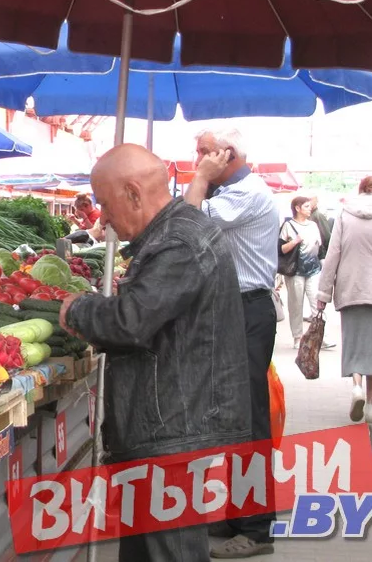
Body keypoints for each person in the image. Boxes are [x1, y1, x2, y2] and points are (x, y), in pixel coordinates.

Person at [58, 144, 250, 562]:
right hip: (171, 427)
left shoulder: (178, 242)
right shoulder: (176, 233)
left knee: (172, 551)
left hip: (175, 433)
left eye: (106, 205)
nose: (103, 219)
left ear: (133, 192)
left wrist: (80, 308)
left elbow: (130, 321)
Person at [183, 126, 278, 559]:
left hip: (246, 312)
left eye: (205, 151)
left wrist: (200, 178)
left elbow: (185, 222)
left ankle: (257, 530)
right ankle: (239, 515)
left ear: (228, 153)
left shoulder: (248, 194)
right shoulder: (235, 194)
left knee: (248, 421)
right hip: (233, 311)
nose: (197, 157)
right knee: (230, 418)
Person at [316, 176, 372, 424]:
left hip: (350, 288)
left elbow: (333, 255)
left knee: (353, 342)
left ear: (360, 190)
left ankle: (356, 388)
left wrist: (323, 293)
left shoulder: (345, 215)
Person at [279, 196, 324, 348]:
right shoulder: (288, 226)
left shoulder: (313, 225)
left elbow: (320, 248)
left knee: (316, 303)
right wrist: (295, 241)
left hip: (313, 270)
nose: (309, 208)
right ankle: (297, 337)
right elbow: (281, 249)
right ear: (297, 208)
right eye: (306, 206)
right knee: (296, 304)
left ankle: (320, 336)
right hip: (295, 271)